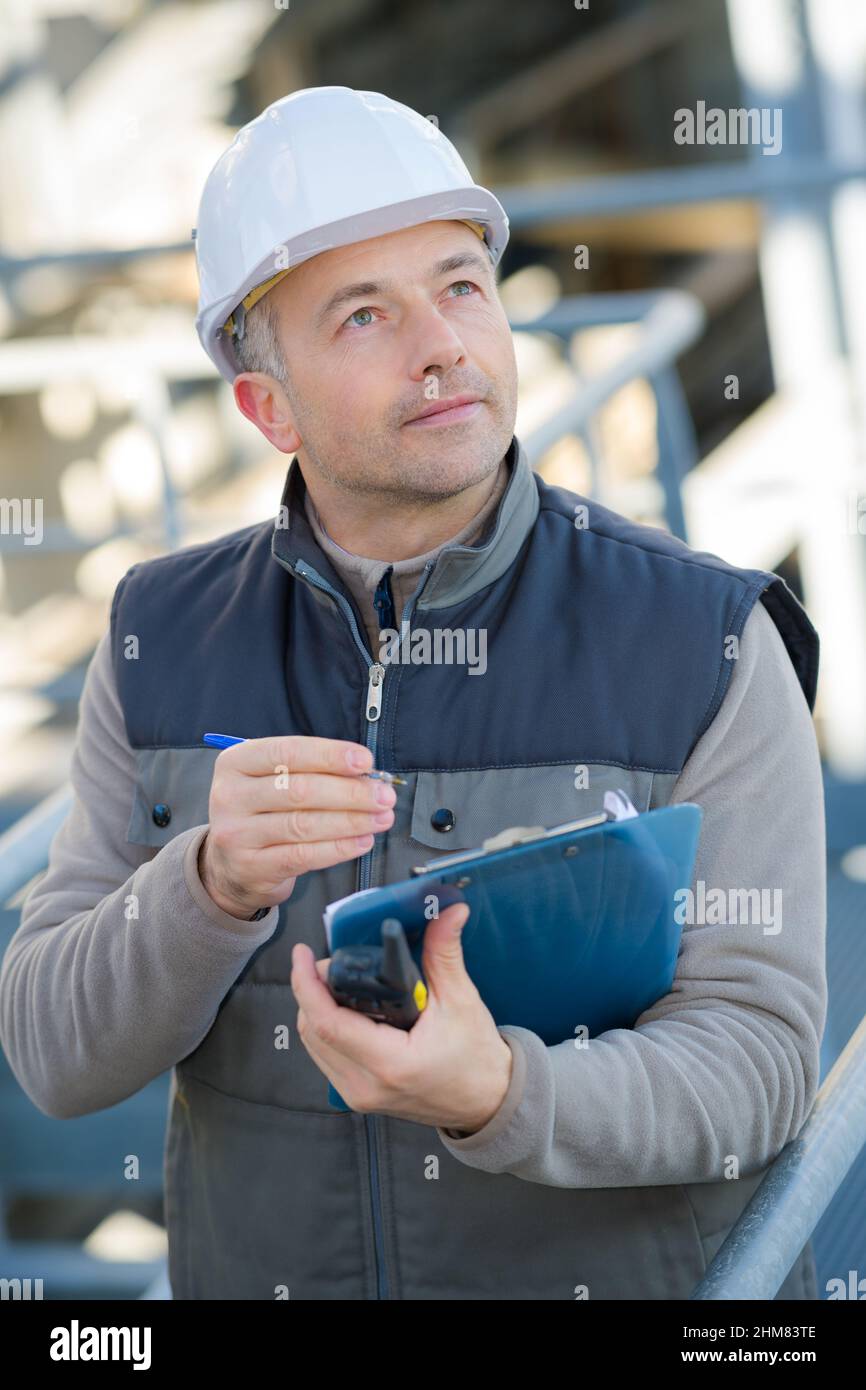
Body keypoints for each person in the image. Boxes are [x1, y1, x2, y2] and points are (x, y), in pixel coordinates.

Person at [0, 87, 826, 1300]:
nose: (440, 343)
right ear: (264, 403)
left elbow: (755, 1066)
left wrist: (501, 1093)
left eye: (459, 286)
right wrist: (207, 886)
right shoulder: (158, 637)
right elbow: (54, 1056)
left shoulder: (703, 638)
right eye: (362, 316)